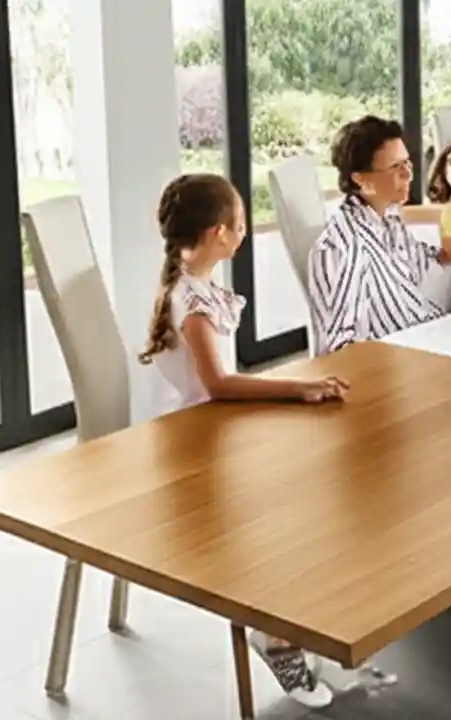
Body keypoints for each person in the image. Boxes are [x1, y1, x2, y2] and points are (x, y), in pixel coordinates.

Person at [137, 173, 351, 708]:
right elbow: (218, 384)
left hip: (210, 431)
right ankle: (275, 634)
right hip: (192, 449)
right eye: (238, 223)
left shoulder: (191, 283)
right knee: (283, 505)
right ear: (219, 233)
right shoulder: (192, 301)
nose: (243, 231)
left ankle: (295, 621)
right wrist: (296, 389)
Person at [308, 115, 451, 353]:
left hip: (429, 337)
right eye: (396, 167)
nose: (408, 175)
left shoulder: (388, 218)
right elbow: (343, 348)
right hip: (405, 359)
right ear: (360, 179)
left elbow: (428, 261)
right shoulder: (342, 248)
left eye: (407, 163)